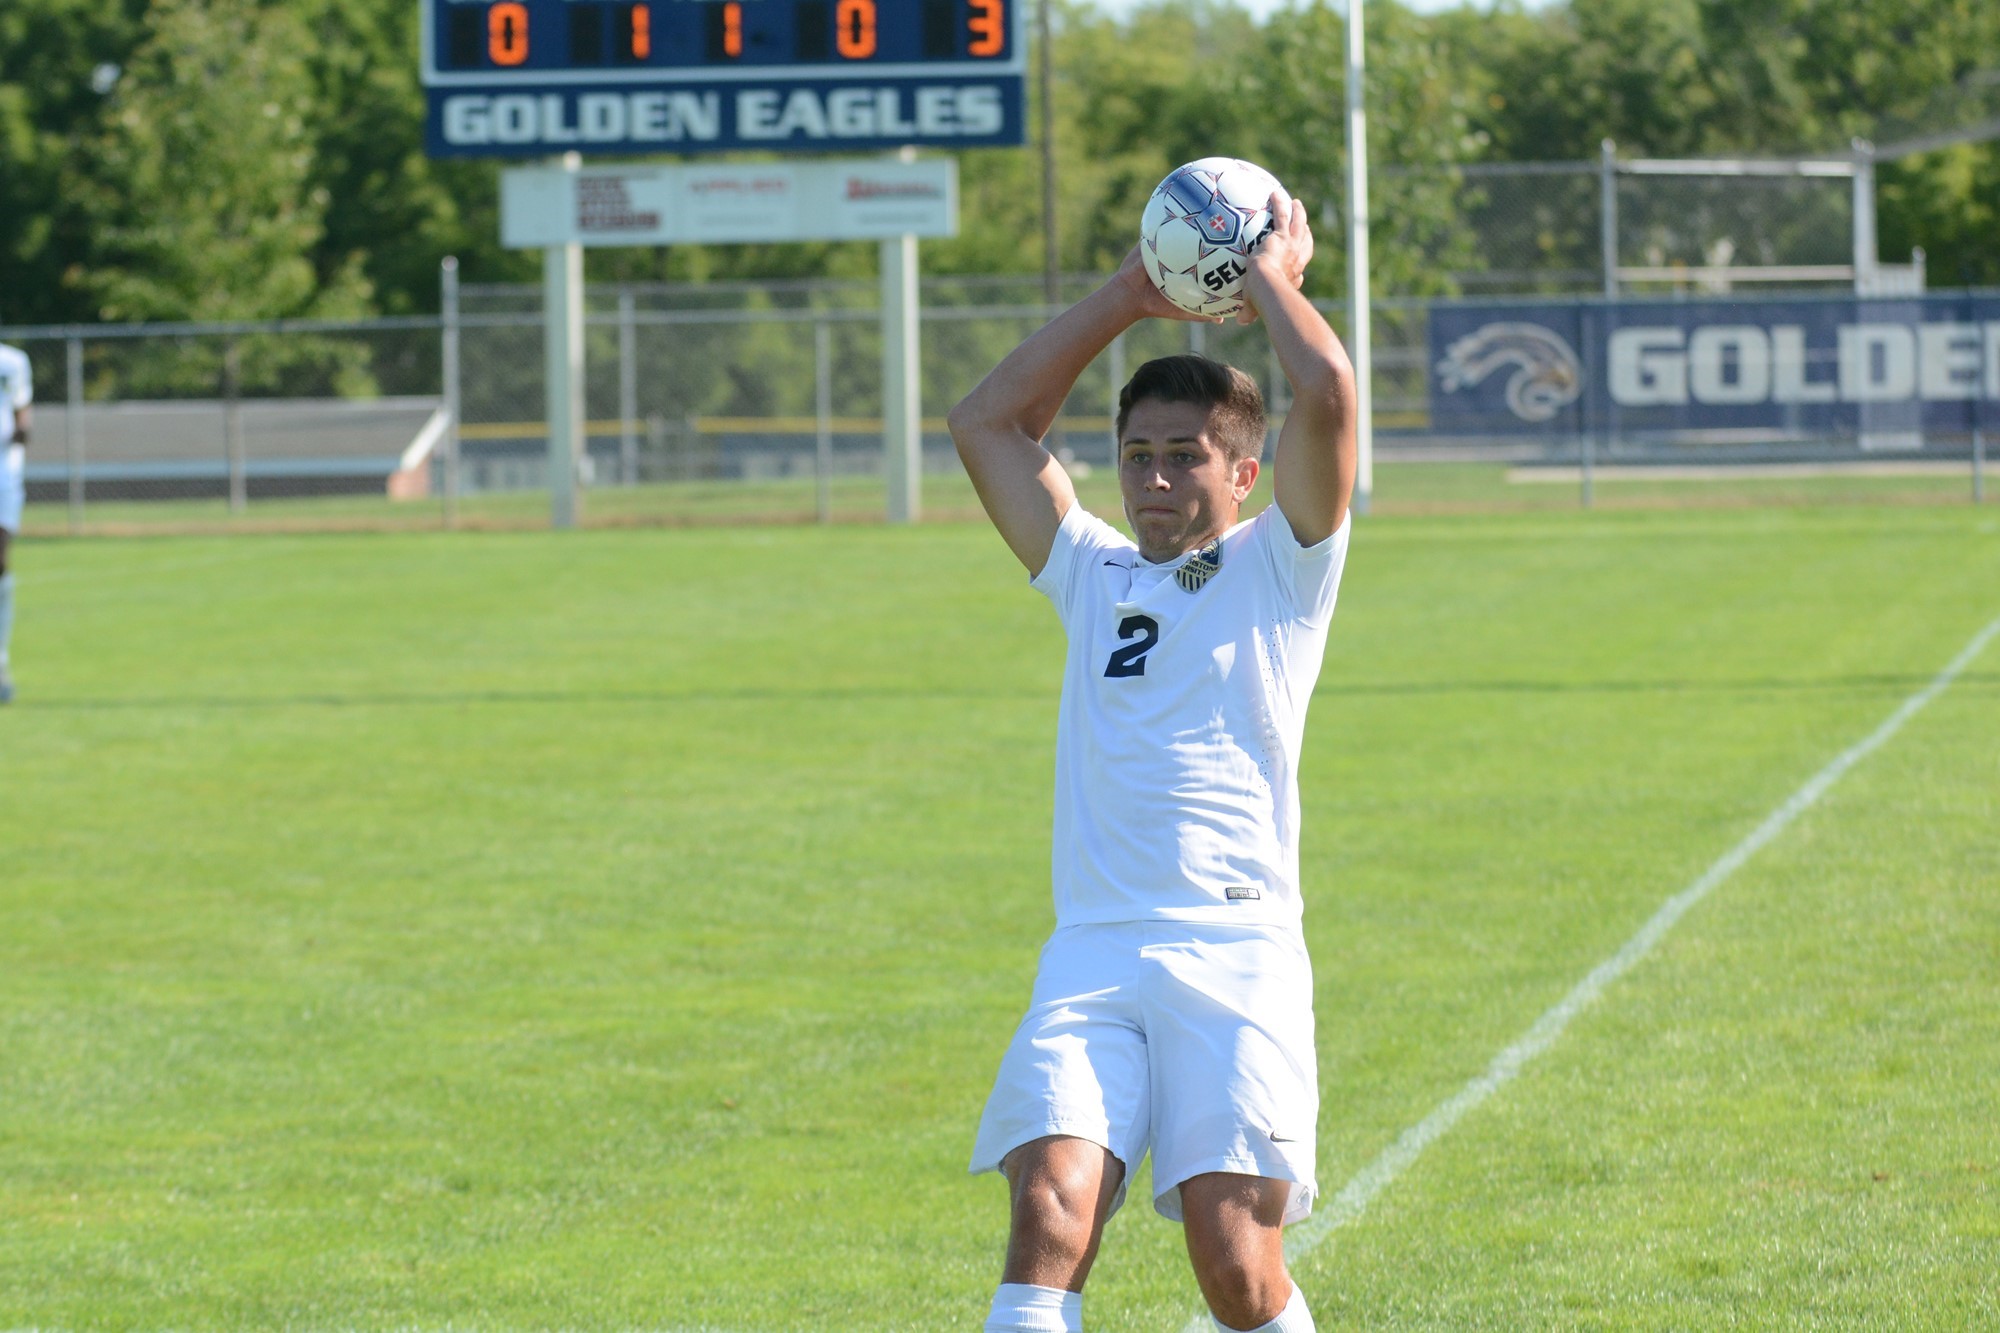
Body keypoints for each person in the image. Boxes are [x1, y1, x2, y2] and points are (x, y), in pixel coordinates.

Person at [948, 193, 1358, 1333]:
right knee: (1047, 1213)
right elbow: (986, 423)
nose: (1155, 479)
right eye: (1137, 456)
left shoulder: (1282, 568)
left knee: (1235, 1264)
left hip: (1234, 950)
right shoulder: (1091, 572)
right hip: (1092, 950)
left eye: (1185, 456)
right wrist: (1132, 294)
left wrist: (1267, 276)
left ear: (1245, 472)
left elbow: (1328, 391)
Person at [0, 339, 32, 704]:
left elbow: (23, 410)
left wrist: (22, 429)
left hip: (3, 476)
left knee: (0, 562)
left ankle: (0, 661)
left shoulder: (11, 361)